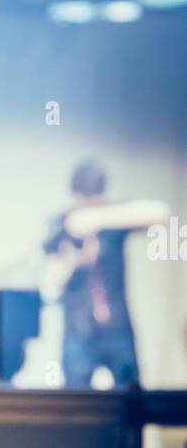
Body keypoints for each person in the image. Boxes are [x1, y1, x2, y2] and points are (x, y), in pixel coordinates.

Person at [42, 160, 166, 387]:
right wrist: (75, 261)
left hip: (117, 327)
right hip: (78, 331)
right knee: (77, 406)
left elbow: (160, 213)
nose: (91, 202)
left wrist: (98, 219)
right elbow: (50, 285)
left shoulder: (112, 219)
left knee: (132, 400)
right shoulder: (60, 225)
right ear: (74, 193)